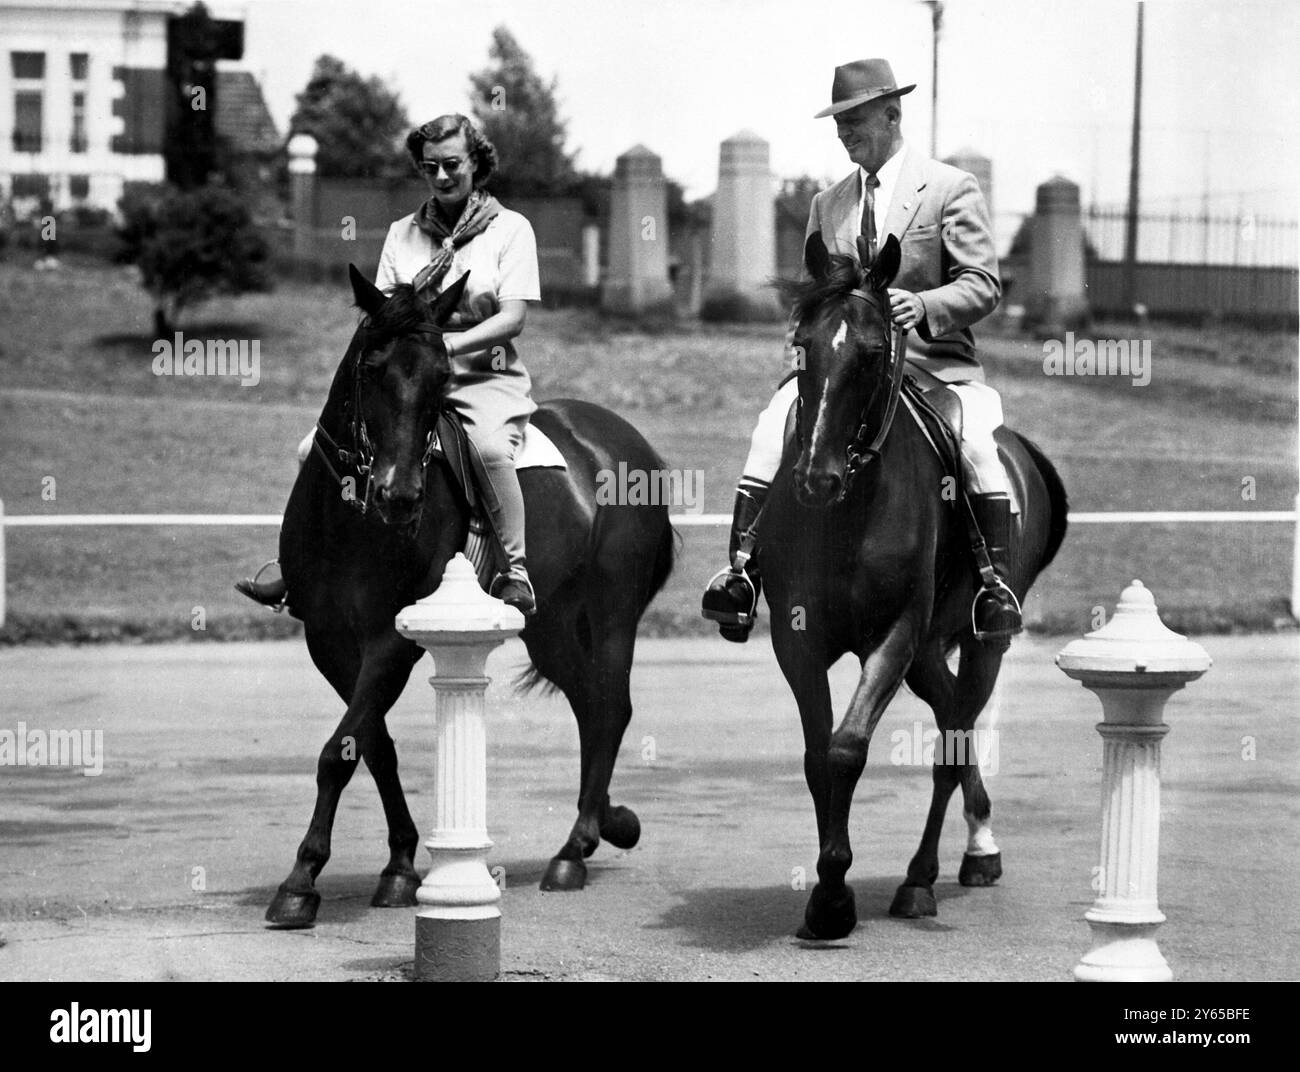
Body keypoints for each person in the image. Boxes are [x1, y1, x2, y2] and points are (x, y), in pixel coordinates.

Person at [701, 58, 1021, 643]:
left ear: (892, 115)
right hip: (844, 371)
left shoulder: (951, 188)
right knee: (771, 429)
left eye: (854, 120)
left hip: (932, 366)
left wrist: (924, 307)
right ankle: (741, 574)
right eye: (838, 123)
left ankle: (992, 585)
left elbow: (983, 283)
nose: (844, 133)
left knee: (975, 443)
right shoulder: (828, 204)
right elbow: (815, 298)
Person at [237, 114, 541, 614]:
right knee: (313, 447)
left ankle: (515, 570)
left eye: (451, 165)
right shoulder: (403, 234)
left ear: (476, 163)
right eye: (429, 168)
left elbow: (513, 317)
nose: (441, 177)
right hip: (406, 380)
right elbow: (382, 315)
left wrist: (445, 349)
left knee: (487, 450)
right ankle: (298, 567)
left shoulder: (510, 230)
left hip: (483, 374)